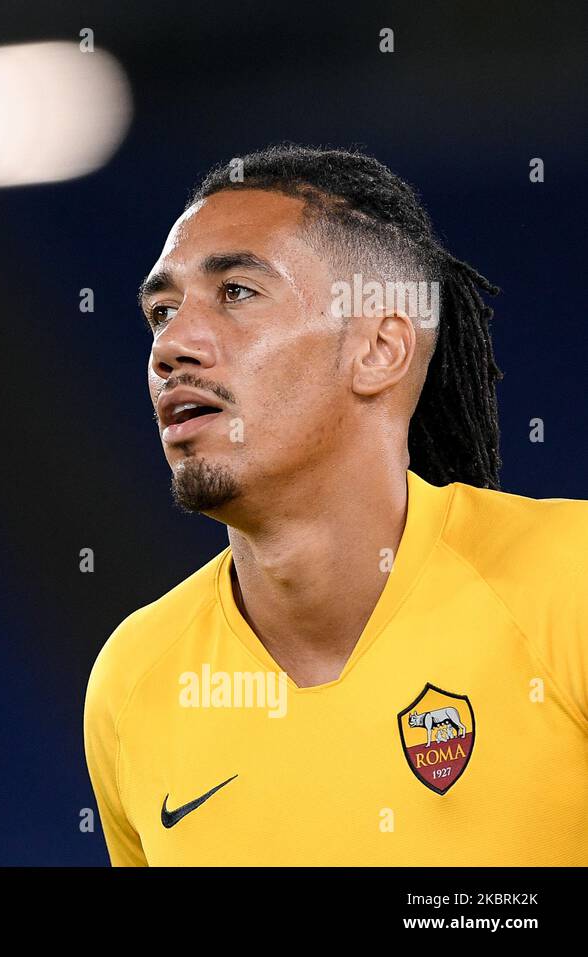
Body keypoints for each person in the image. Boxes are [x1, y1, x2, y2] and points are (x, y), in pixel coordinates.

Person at [84, 144, 588, 865]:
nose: (172, 346)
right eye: (162, 311)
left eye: (236, 293)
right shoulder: (133, 681)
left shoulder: (569, 584)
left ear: (379, 348)